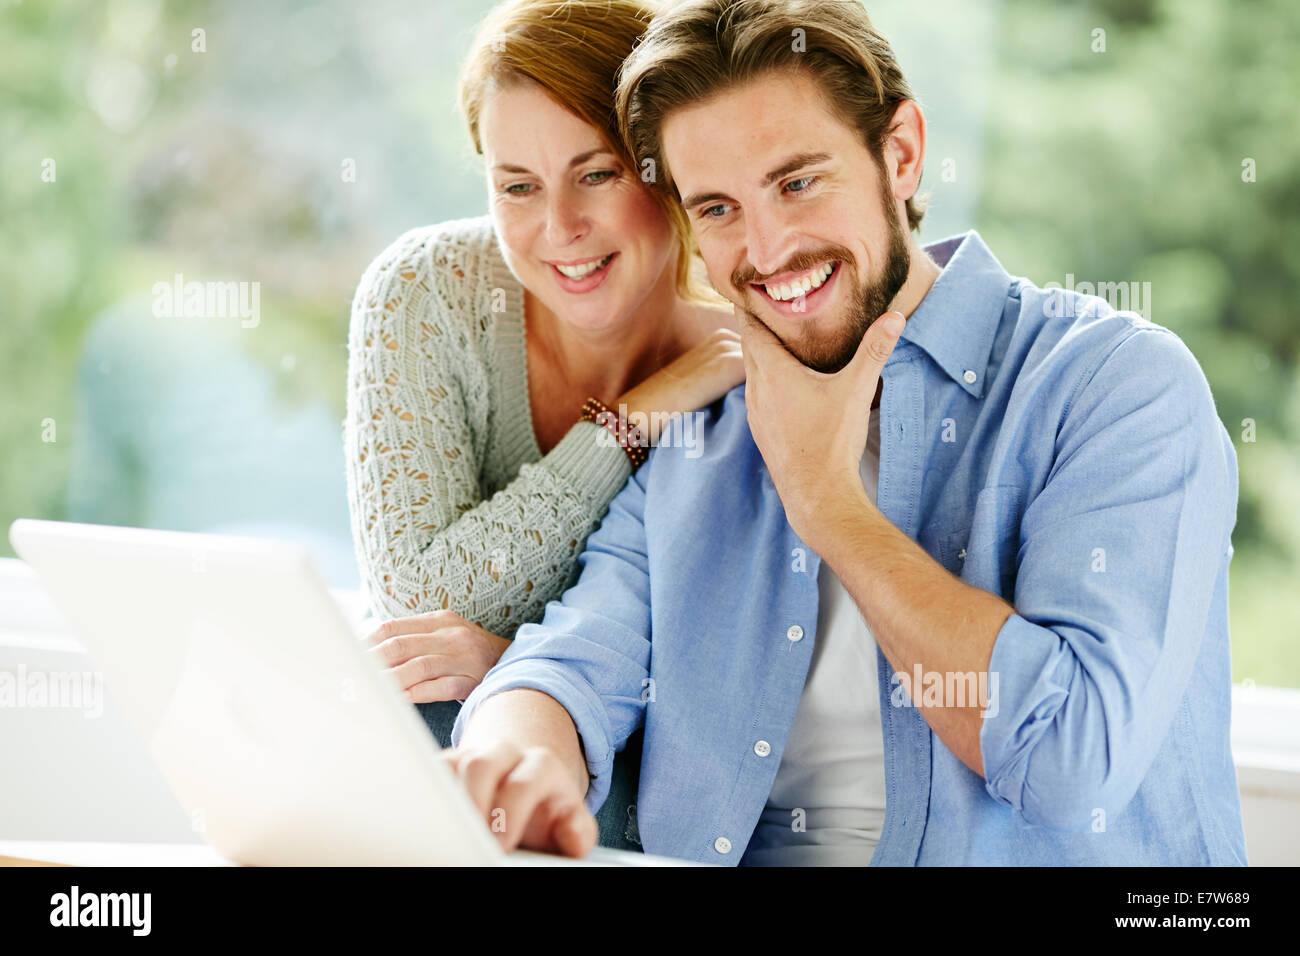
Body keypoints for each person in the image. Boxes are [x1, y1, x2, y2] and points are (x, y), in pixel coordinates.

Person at [444, 0, 1247, 865]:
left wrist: (828, 504)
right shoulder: (708, 441)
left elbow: (1068, 757)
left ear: (899, 153)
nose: (768, 246)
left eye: (797, 182)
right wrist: (510, 764)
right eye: (717, 208)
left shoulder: (1112, 387)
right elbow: (568, 662)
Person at [342, 0, 743, 851]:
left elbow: (718, 684)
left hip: (636, 786)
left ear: (665, 165)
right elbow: (420, 603)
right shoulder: (426, 295)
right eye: (516, 186)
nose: (558, 228)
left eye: (595, 173)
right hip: (469, 740)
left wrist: (525, 680)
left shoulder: (752, 351)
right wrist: (637, 416)